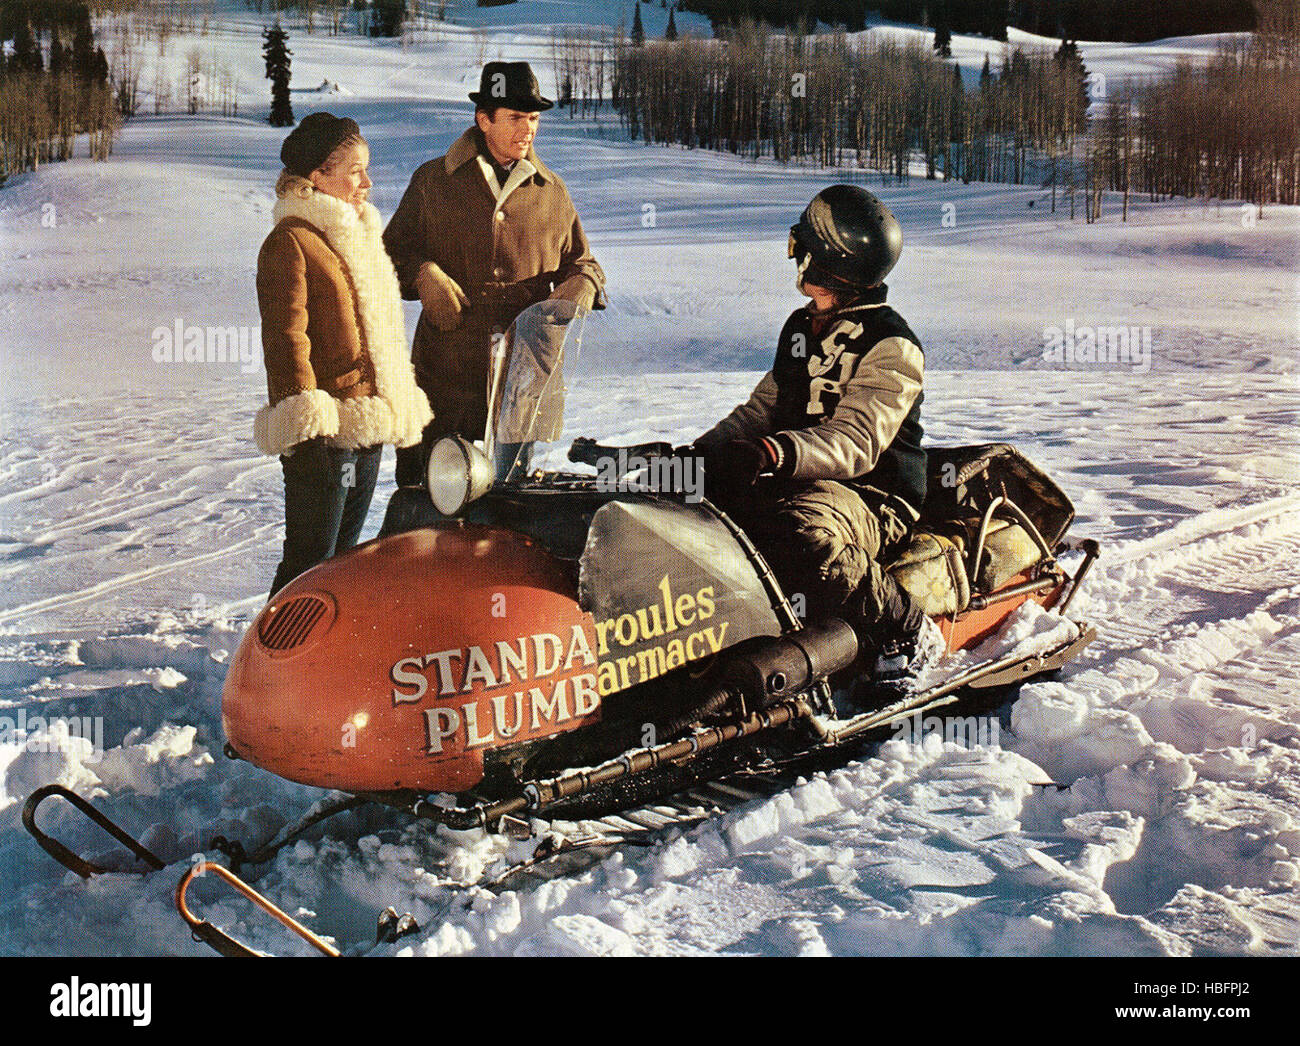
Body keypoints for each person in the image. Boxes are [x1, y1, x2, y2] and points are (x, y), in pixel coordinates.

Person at [688, 185, 945, 688]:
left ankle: (907, 630)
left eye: (804, 250)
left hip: (869, 494)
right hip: (793, 475)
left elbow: (858, 440)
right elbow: (762, 408)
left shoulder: (892, 343)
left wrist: (773, 452)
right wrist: (698, 455)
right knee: (691, 512)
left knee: (801, 534)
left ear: (822, 262)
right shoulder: (803, 327)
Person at [383, 61, 605, 485]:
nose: (529, 130)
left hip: (524, 375)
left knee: (510, 506)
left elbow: (583, 262)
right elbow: (389, 255)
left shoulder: (552, 191)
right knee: (431, 501)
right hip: (447, 373)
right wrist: (423, 273)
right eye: (516, 118)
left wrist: (585, 282)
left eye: (535, 118)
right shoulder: (434, 180)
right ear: (483, 119)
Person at [256, 112, 433, 598]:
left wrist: (401, 410)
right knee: (308, 565)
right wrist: (307, 427)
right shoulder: (291, 242)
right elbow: (287, 340)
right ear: (318, 176)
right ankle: (272, 666)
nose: (368, 183)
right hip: (325, 437)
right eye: (355, 170)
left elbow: (384, 339)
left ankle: (318, 665)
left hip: (366, 427)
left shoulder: (357, 242)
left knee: (341, 567)